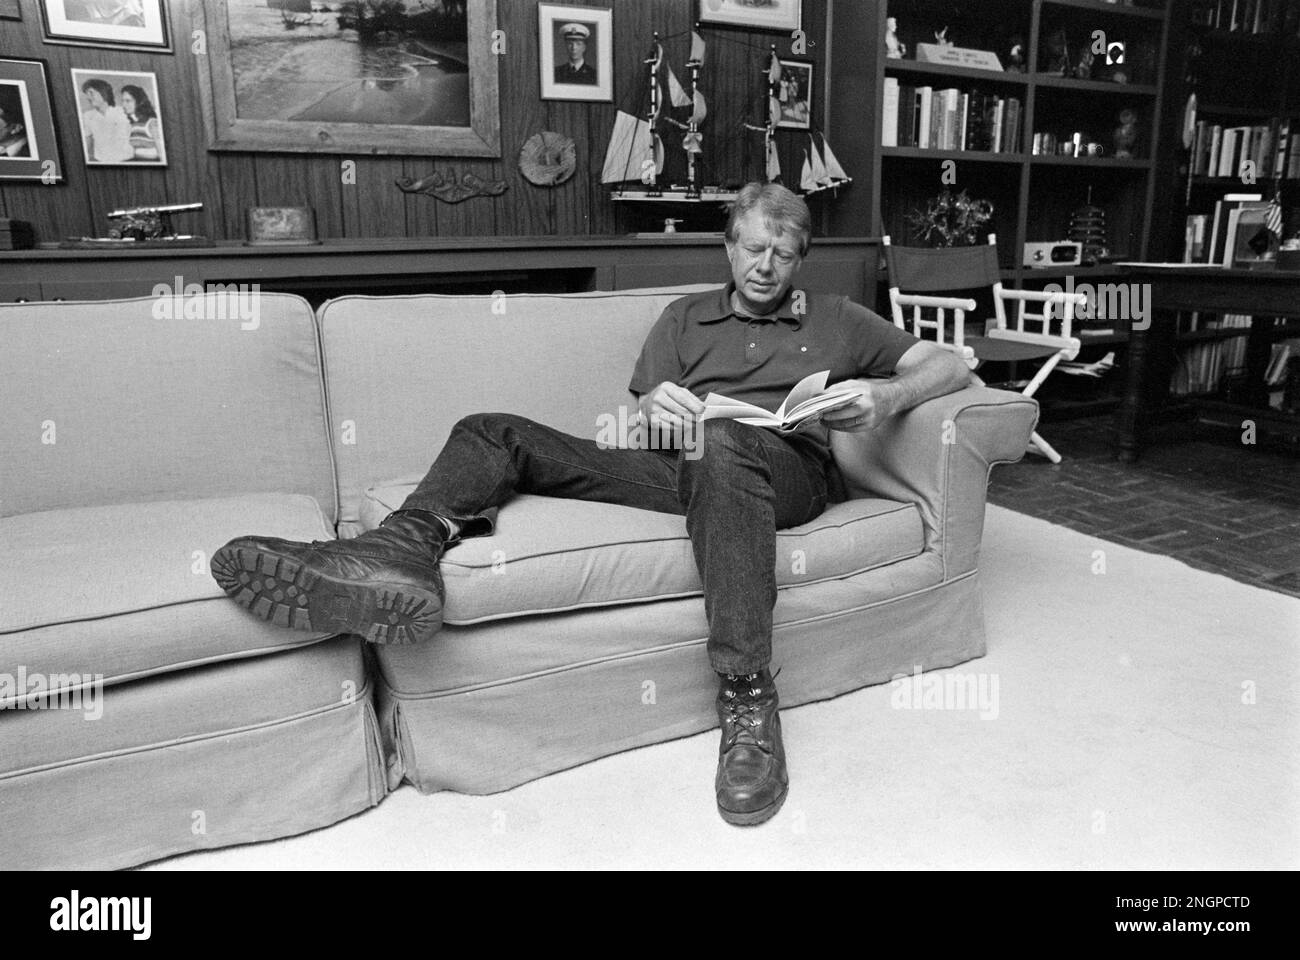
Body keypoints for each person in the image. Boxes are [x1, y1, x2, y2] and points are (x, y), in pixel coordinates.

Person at [211, 182, 972, 827]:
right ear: (728, 248)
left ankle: (746, 696)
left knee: (725, 446)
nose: (764, 265)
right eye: (751, 248)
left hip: (790, 472)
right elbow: (646, 415)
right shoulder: (682, 319)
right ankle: (399, 549)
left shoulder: (837, 317)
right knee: (495, 431)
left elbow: (951, 361)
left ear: (800, 258)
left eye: (781, 253)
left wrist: (887, 395)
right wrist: (662, 411)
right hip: (684, 465)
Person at [79, 78, 133, 163]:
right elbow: (87, 143)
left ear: (103, 92)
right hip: (102, 164)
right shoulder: (88, 116)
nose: (88, 97)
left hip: (128, 161)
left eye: (91, 93)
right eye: (86, 94)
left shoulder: (123, 111)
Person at [119, 84, 162, 162]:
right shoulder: (133, 124)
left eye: (128, 101)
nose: (123, 105)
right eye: (122, 101)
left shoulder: (151, 123)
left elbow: (162, 154)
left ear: (139, 102)